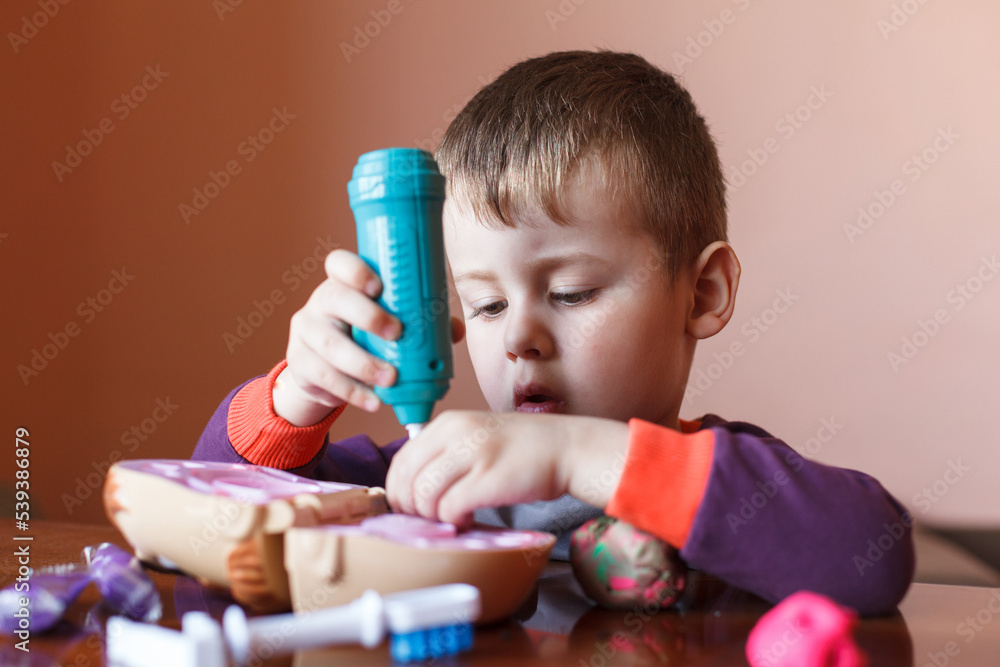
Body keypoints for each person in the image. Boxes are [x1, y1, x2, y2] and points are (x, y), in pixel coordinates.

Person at [194, 50, 913, 615]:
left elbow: (873, 556)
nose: (520, 338)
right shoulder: (429, 479)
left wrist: (579, 455)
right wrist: (295, 401)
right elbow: (207, 523)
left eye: (571, 292)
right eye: (485, 305)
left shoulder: (731, 484)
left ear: (702, 292)